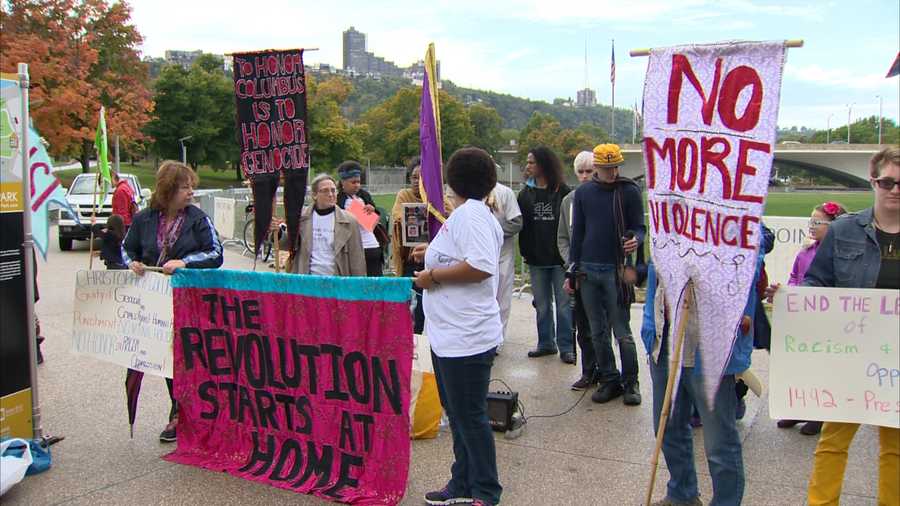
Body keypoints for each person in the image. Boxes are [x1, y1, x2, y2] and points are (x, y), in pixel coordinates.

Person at [768, 147, 899, 506]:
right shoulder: (843, 230)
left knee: (896, 447)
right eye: (887, 182)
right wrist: (792, 297)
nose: (895, 189)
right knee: (832, 442)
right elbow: (818, 282)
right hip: (851, 356)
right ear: (873, 181)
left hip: (895, 362)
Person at [413, 147, 503, 506]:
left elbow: (480, 266)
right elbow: (463, 255)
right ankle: (462, 482)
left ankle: (486, 491)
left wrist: (432, 275)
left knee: (470, 417)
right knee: (460, 416)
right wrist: (430, 252)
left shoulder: (470, 214)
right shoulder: (470, 214)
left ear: (453, 180)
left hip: (466, 337)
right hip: (451, 335)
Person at [643, 246, 763, 506]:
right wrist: (649, 324)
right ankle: (682, 493)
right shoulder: (666, 228)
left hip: (710, 348)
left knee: (719, 441)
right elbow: (655, 274)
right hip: (666, 342)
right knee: (667, 428)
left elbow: (751, 261)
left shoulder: (732, 229)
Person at [123, 160, 223, 442]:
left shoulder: (198, 219)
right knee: (160, 356)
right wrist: (132, 263)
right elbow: (126, 249)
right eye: (184, 187)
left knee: (183, 356)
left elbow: (216, 253)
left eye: (192, 187)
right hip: (152, 301)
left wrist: (185, 262)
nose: (191, 192)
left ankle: (181, 413)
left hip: (188, 300)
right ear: (168, 190)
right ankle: (179, 409)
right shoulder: (143, 219)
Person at [568, 143, 645, 405]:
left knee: (622, 330)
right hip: (588, 269)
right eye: (606, 168)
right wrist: (572, 270)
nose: (612, 173)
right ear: (597, 167)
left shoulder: (629, 190)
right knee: (597, 330)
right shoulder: (583, 193)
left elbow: (640, 227)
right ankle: (609, 379)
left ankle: (631, 382)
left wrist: (636, 239)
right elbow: (578, 233)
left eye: (615, 167)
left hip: (616, 269)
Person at [775, 201, 847, 436]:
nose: (812, 226)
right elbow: (794, 277)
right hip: (803, 317)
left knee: (823, 367)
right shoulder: (805, 252)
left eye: (818, 222)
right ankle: (799, 407)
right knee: (801, 365)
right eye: (811, 221)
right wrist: (789, 294)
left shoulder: (841, 256)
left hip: (827, 320)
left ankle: (820, 413)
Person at [517, 146, 574, 363]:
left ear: (544, 164)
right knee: (541, 305)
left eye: (532, 162)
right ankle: (546, 343)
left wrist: (569, 257)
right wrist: (526, 252)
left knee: (564, 306)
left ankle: (566, 347)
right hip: (536, 259)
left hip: (560, 261)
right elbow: (523, 227)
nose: (528, 166)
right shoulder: (525, 194)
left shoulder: (564, 192)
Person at [391, 157, 454, 333]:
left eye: (421, 178)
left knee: (433, 306)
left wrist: (432, 212)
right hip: (410, 260)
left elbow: (450, 218)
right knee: (412, 306)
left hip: (435, 262)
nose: (416, 181)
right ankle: (412, 336)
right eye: (413, 177)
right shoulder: (403, 195)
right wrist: (427, 214)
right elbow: (399, 216)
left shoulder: (439, 197)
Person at [558, 151, 600, 390]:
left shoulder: (607, 197)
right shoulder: (569, 201)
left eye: (589, 171)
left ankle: (609, 372)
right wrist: (571, 265)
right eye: (580, 172)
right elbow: (563, 237)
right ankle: (588, 371)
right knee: (583, 327)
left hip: (602, 271)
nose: (584, 176)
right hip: (578, 273)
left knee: (604, 327)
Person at [292, 173, 366, 277]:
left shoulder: (349, 221)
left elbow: (357, 258)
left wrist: (359, 283)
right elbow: (288, 243)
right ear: (314, 195)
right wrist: (279, 233)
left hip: (337, 280)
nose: (331, 194)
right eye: (325, 191)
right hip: (308, 279)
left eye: (333, 190)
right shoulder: (302, 218)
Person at [487, 179, 522, 346]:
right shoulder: (469, 190)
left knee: (501, 299)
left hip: (502, 256)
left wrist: (493, 233)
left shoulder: (504, 192)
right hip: (478, 255)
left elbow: (516, 223)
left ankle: (497, 340)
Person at [336, 160, 384, 276]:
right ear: (343, 182)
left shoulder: (364, 195)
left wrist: (373, 211)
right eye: (353, 182)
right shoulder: (338, 199)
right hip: (352, 249)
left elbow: (376, 221)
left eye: (358, 182)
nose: (357, 185)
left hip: (372, 246)